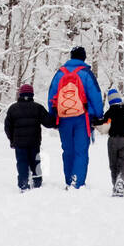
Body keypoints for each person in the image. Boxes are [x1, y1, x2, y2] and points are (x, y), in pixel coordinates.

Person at [47, 46, 104, 189]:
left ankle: (68, 180)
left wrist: (53, 115)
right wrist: (98, 115)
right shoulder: (86, 73)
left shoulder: (60, 73)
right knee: (81, 151)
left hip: (63, 117)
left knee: (68, 150)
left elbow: (51, 95)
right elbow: (95, 95)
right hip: (82, 118)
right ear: (83, 58)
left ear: (71, 57)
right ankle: (77, 182)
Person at [3, 83, 56, 191]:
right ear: (32, 94)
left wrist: (12, 140)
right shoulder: (38, 108)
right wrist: (56, 117)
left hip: (19, 143)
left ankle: (23, 183)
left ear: (20, 94)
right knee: (35, 161)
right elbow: (49, 123)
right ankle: (37, 182)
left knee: (22, 162)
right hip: (34, 142)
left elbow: (7, 127)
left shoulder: (13, 108)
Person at [93, 87, 124, 197]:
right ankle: (121, 182)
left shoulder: (109, 113)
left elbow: (104, 128)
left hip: (112, 141)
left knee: (113, 165)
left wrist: (94, 123)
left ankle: (116, 185)